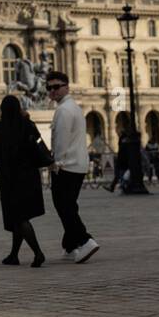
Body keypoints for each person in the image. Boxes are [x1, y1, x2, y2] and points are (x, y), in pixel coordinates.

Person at [0, 95, 47, 266]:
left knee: (19, 217)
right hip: (30, 178)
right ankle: (14, 255)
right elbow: (38, 148)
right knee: (18, 217)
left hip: (10, 179)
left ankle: (38, 253)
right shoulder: (28, 126)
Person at [46, 71, 98, 262]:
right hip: (78, 164)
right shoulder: (73, 107)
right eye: (49, 87)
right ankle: (69, 247)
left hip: (66, 166)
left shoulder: (63, 110)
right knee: (68, 205)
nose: (52, 91)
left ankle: (85, 240)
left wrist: (56, 165)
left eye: (56, 86)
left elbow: (61, 141)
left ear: (66, 87)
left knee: (64, 207)